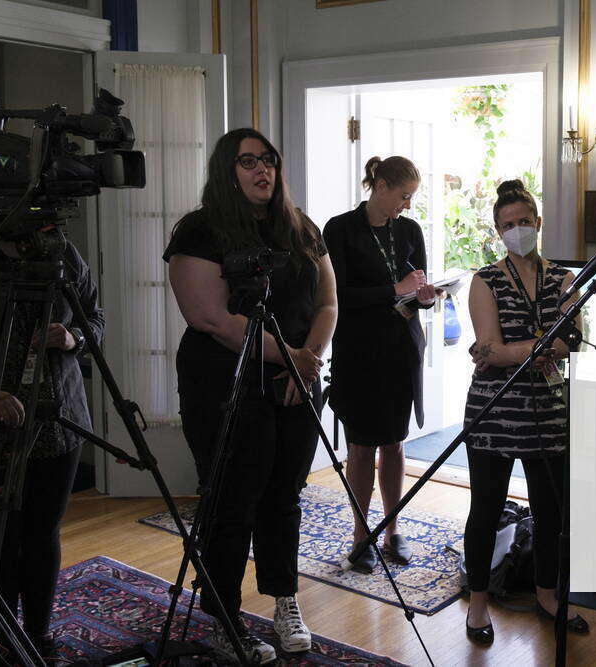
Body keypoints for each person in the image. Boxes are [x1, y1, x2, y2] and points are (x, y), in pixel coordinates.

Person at [164, 128, 337, 663]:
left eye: (268, 160)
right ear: (227, 171)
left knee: (284, 496)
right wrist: (290, 357)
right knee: (230, 503)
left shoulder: (299, 226)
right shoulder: (201, 230)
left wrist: (307, 361)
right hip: (225, 383)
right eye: (247, 162)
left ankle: (285, 600)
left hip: (296, 380)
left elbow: (328, 303)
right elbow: (211, 317)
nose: (262, 170)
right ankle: (224, 616)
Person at [462, 179, 590, 645]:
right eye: (507, 225)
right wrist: (537, 346)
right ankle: (478, 604)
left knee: (551, 512)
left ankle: (547, 595)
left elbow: (571, 341)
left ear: (537, 222)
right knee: (485, 509)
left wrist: (511, 350)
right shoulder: (485, 280)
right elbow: (489, 349)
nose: (517, 230)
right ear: (498, 231)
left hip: (548, 410)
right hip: (493, 414)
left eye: (523, 221)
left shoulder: (564, 279)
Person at [0, 235, 104, 663]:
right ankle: (6, 638)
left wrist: (73, 338)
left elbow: (95, 318)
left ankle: (38, 635)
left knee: (43, 533)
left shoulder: (62, 249)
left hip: (60, 419)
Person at [322, 156, 437, 574]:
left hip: (402, 351)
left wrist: (424, 297)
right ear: (381, 185)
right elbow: (337, 296)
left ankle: (392, 530)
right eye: (404, 196)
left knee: (395, 442)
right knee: (361, 446)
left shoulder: (409, 230)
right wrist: (394, 288)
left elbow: (415, 287)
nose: (407, 205)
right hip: (358, 353)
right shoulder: (340, 229)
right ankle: (360, 536)